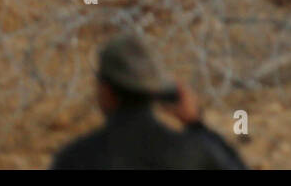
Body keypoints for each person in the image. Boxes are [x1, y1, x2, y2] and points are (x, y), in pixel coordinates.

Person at [51, 33, 247, 170]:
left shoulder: (77, 158)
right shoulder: (193, 152)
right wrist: (196, 124)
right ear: (155, 91)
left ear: (107, 91)